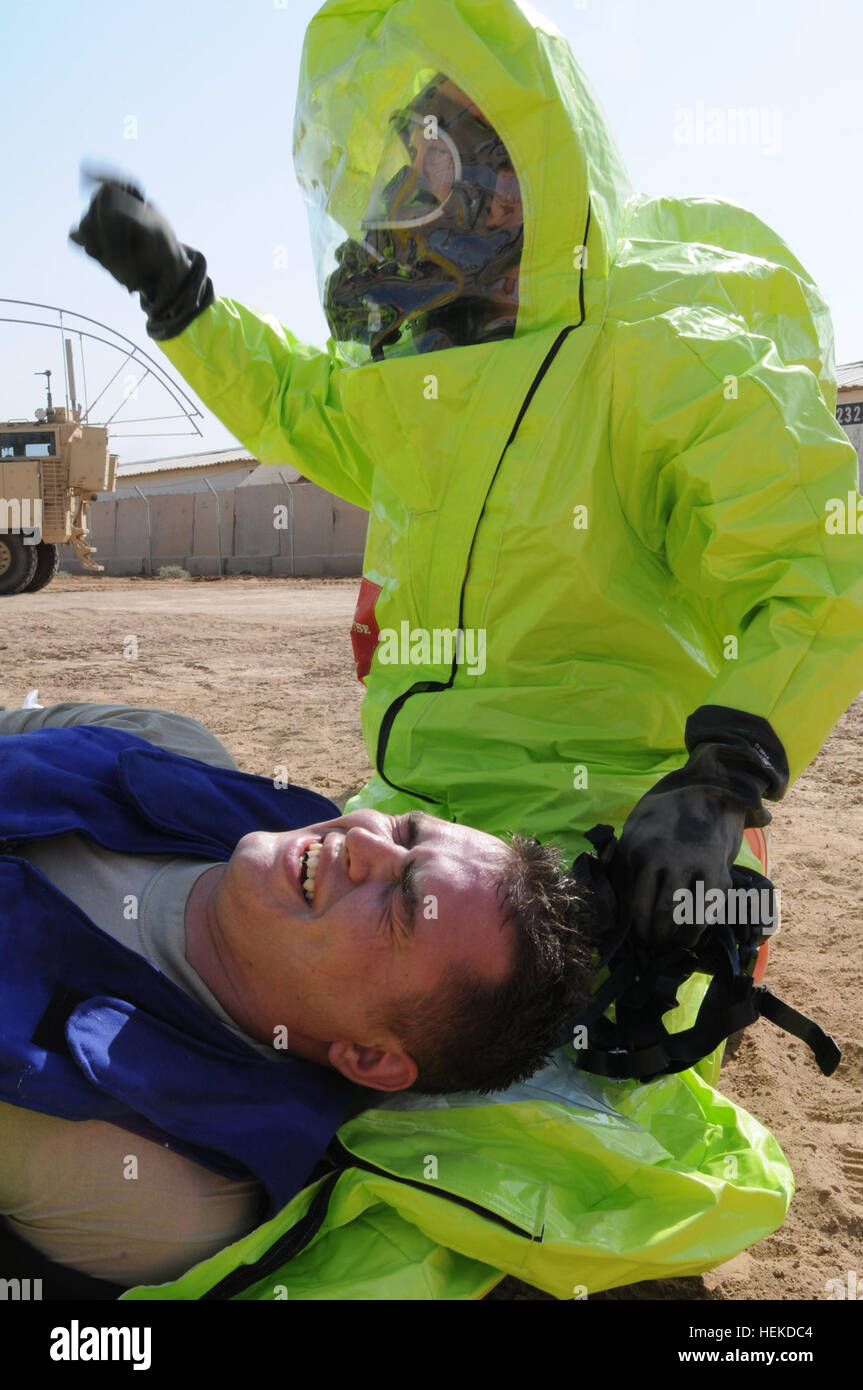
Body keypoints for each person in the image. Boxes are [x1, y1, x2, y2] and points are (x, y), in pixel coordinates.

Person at [68, 0, 863, 955]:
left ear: (515, 184)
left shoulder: (662, 359)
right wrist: (177, 293)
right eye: (398, 168)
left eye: (430, 166)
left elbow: (817, 569)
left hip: (602, 858)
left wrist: (717, 783)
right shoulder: (426, 387)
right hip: (405, 826)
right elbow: (296, 401)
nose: (396, 200)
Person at [0, 697, 593, 1290]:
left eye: (404, 904)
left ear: (369, 1057)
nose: (363, 837)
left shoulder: (147, 1180)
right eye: (405, 830)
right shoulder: (173, 747)